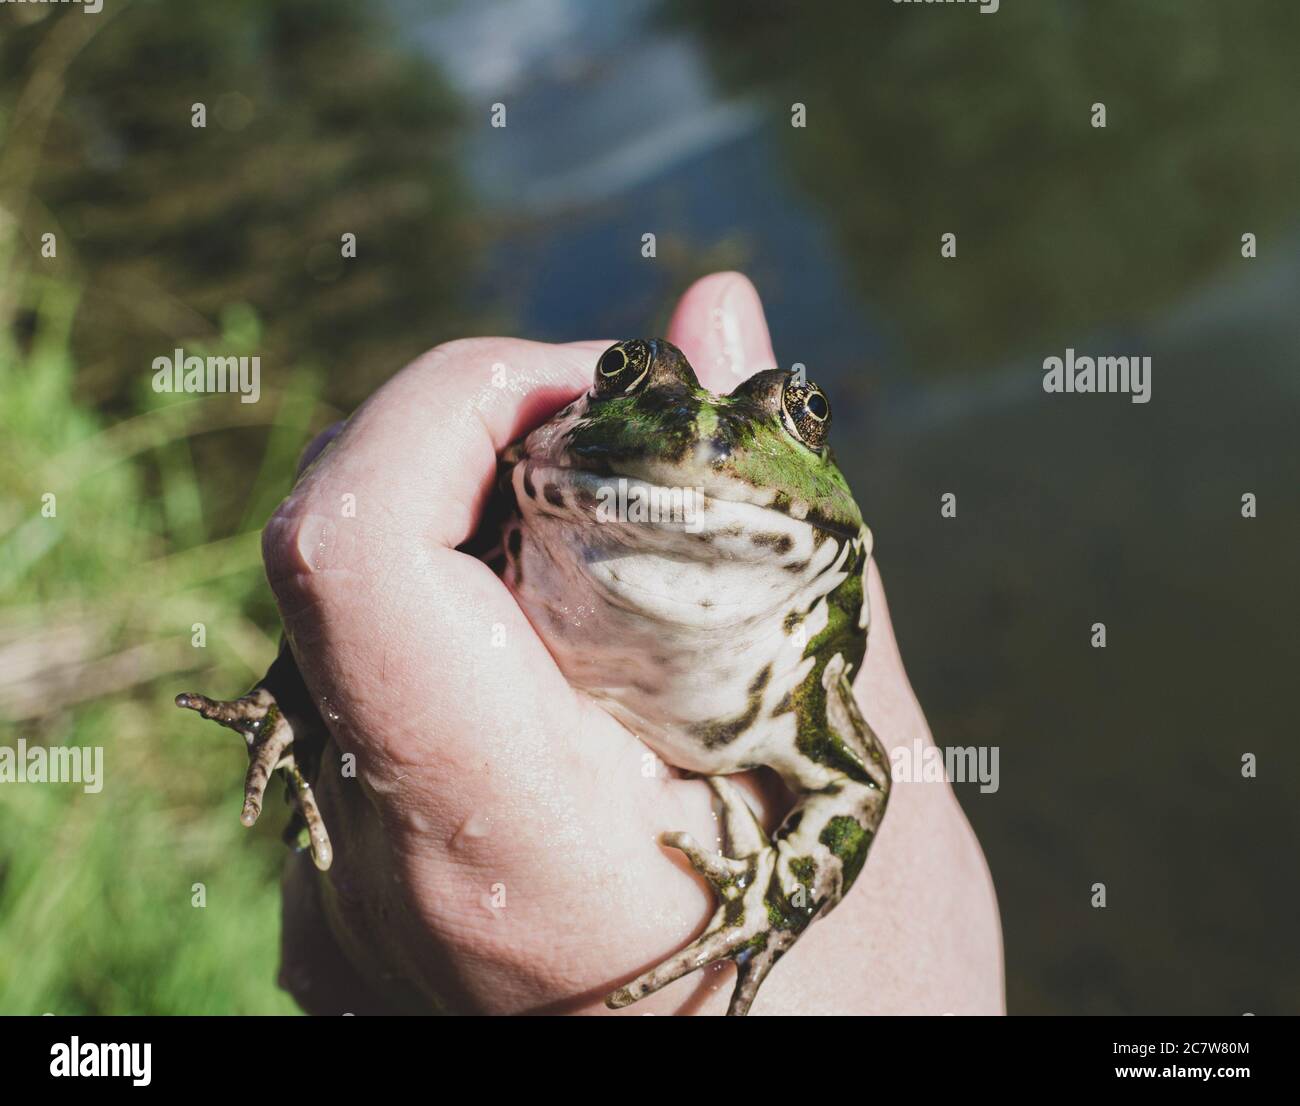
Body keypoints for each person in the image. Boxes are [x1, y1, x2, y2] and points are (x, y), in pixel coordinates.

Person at [264, 272, 1004, 1015]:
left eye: (804, 415)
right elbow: (367, 596)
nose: (703, 440)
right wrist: (294, 698)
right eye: (623, 375)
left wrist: (771, 915)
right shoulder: (496, 534)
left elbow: (855, 786)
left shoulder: (805, 680)